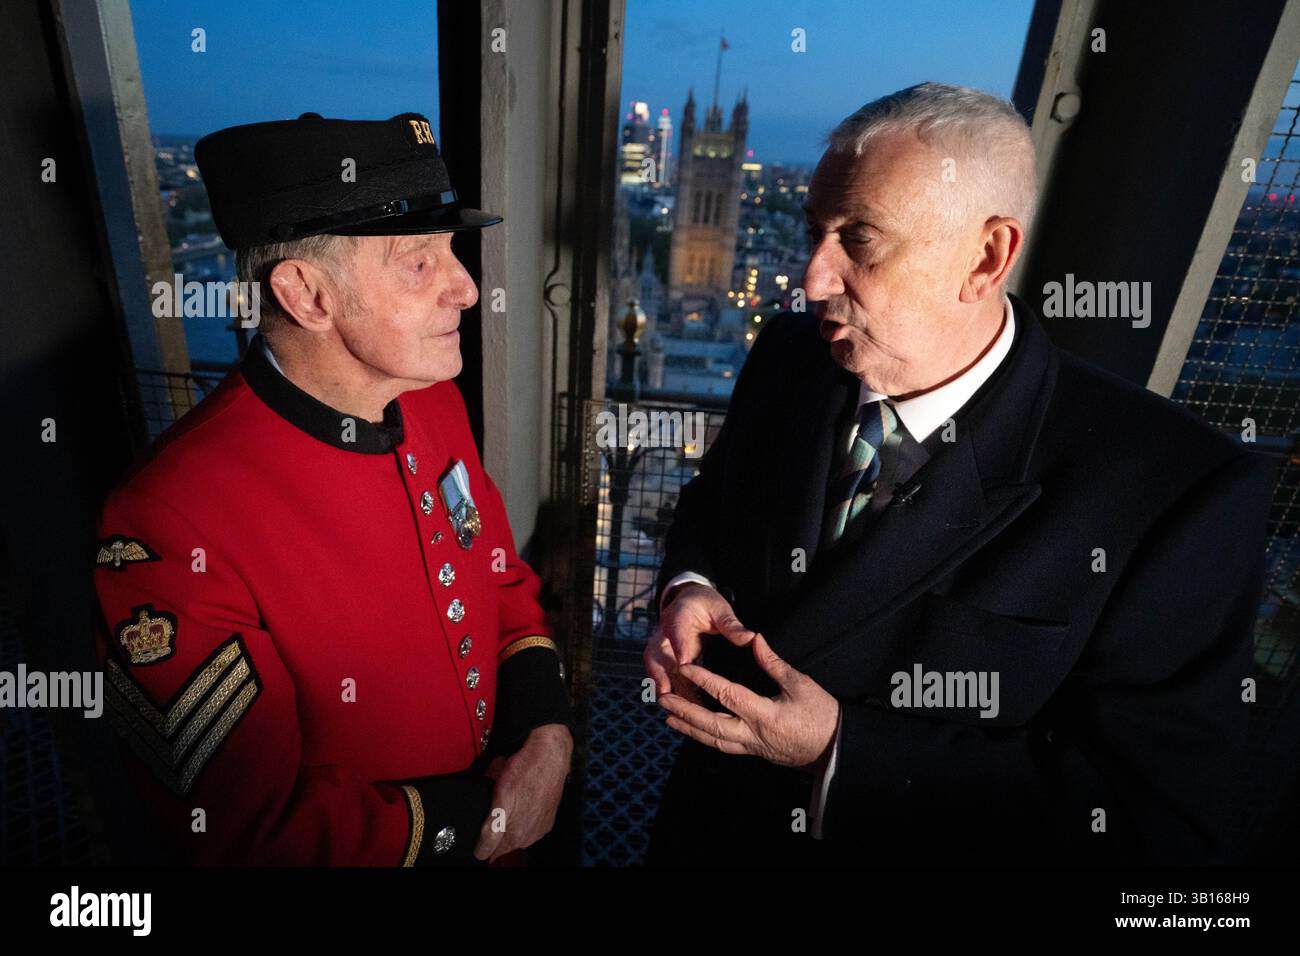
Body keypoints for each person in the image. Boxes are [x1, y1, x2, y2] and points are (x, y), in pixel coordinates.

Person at [645, 83, 1272, 865]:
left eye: (859, 241)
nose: (810, 279)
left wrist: (844, 754)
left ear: (986, 258)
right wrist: (692, 584)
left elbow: (1155, 823)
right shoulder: (790, 358)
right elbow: (717, 502)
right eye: (814, 232)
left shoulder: (1176, 495)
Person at [93, 111, 572, 865]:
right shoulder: (169, 522)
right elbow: (246, 831)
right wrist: (485, 814)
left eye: (452, 252)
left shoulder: (428, 398)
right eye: (420, 262)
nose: (467, 288)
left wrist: (546, 729)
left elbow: (496, 578)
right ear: (307, 295)